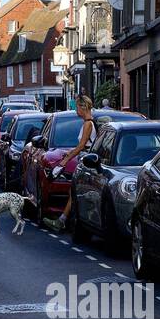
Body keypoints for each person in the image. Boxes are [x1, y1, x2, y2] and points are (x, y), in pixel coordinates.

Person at [50, 95, 95, 232]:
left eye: (77, 107)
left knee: (76, 192)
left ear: (83, 107)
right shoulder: (86, 123)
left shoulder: (88, 124)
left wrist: (66, 159)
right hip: (83, 160)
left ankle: (64, 221)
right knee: (74, 191)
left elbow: (82, 146)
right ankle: (64, 220)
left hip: (86, 162)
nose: (76, 110)